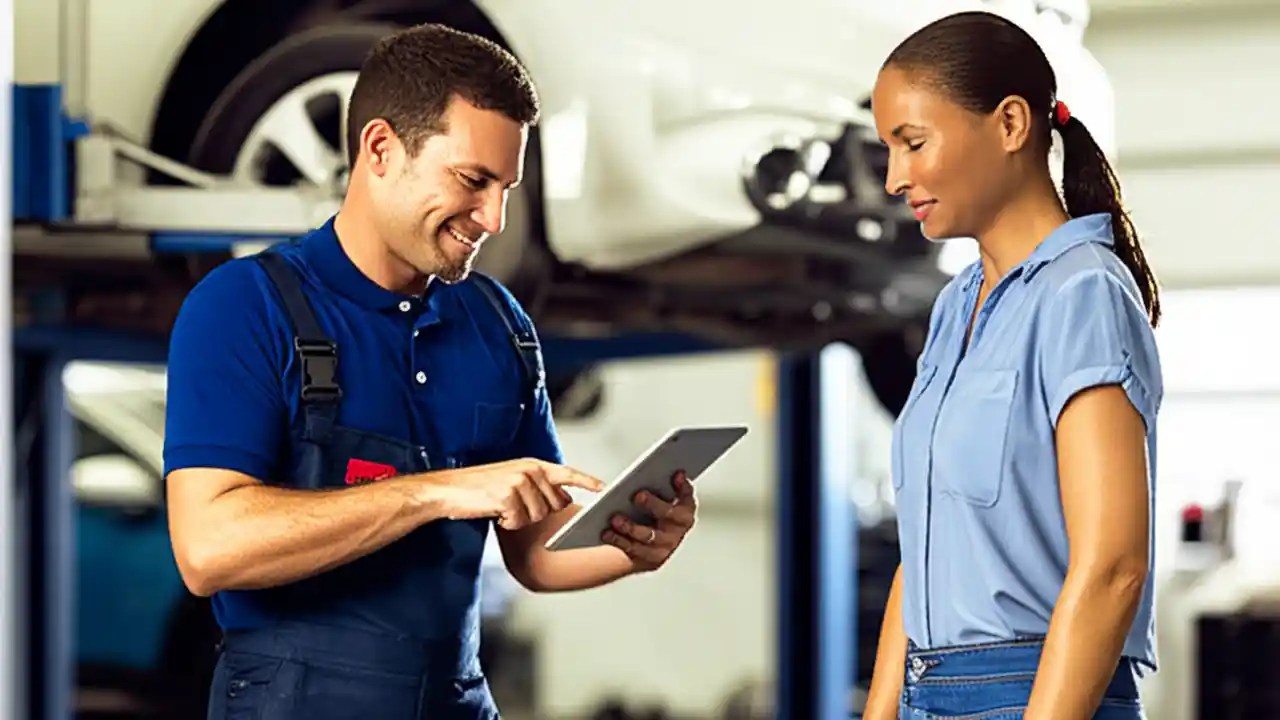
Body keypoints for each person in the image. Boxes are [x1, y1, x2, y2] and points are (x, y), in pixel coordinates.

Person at [163, 23, 699, 720]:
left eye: (506, 187)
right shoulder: (242, 307)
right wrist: (435, 493)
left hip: (456, 700)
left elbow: (537, 553)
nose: (495, 217)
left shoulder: (496, 324)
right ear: (381, 149)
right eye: (474, 181)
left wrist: (634, 545)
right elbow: (208, 549)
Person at [862, 11, 1162, 720]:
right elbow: (925, 551)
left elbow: (1114, 567)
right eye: (887, 151)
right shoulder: (954, 307)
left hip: (1039, 696)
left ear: (1010, 125)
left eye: (912, 143)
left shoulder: (1082, 291)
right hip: (929, 696)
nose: (894, 178)